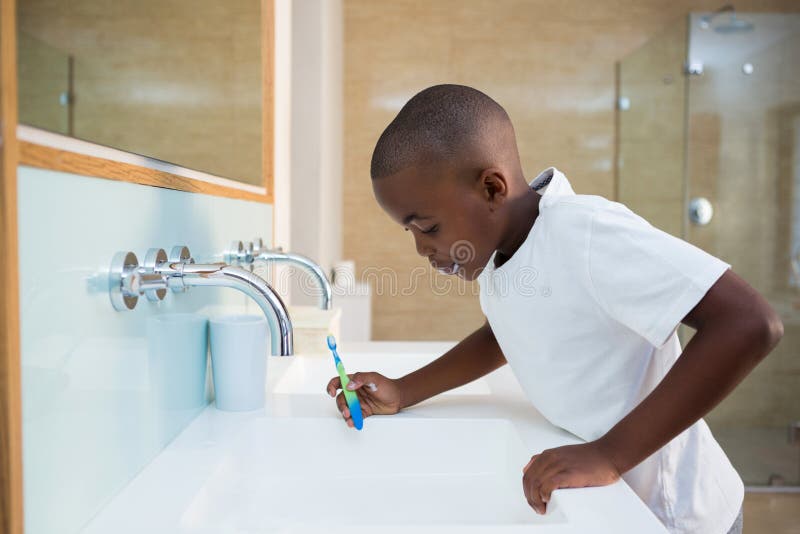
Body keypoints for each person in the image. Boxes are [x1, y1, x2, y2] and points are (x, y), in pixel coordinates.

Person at [326, 84, 781, 533]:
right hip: (614, 496)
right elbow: (505, 333)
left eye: (427, 227)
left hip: (677, 512)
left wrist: (610, 453)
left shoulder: (584, 233)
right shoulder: (505, 249)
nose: (422, 249)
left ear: (491, 188)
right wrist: (405, 391)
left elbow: (749, 322)